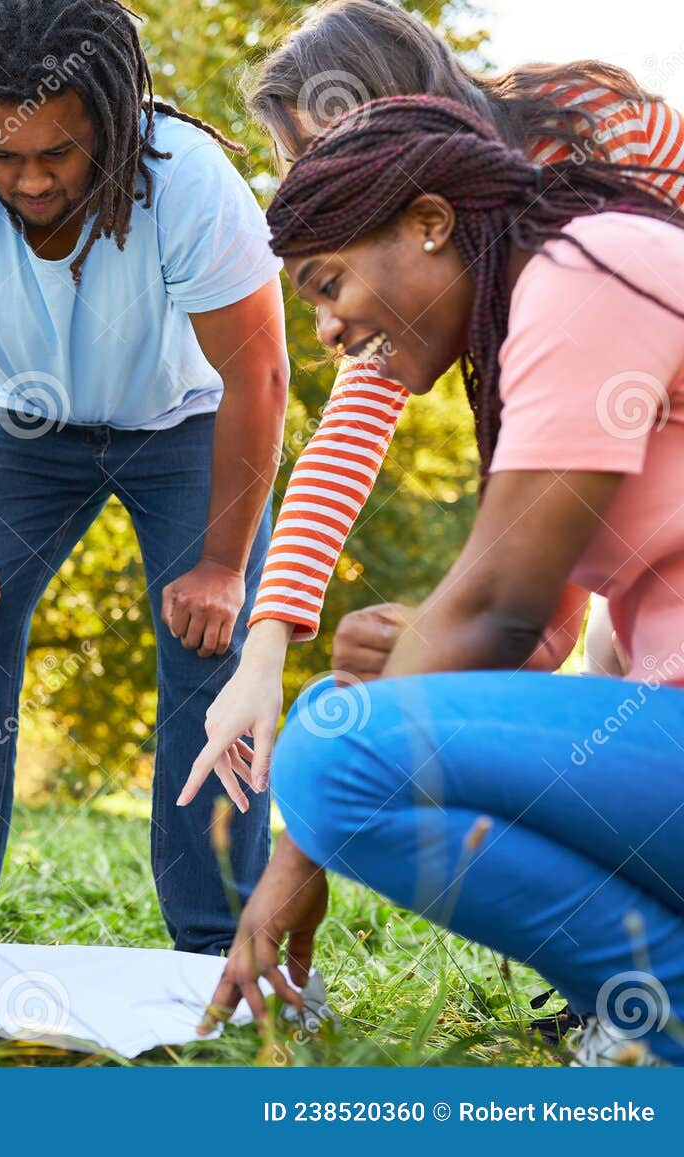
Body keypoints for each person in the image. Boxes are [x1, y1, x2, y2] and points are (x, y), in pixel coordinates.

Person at [203, 95, 684, 1067]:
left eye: (328, 284)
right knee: (347, 725)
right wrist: (410, 649)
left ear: (428, 222)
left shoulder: (585, 271)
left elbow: (499, 609)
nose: (329, 331)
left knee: (329, 757)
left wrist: (299, 845)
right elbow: (535, 624)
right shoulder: (534, 313)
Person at [0, 0, 290, 954]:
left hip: (188, 424)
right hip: (29, 429)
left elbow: (259, 376)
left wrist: (222, 566)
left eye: (59, 153)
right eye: (6, 156)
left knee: (210, 657)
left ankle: (217, 943)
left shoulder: (187, 181)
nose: (31, 178)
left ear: (111, 122)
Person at [184, 0, 684, 808]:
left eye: (327, 152)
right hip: (609, 472)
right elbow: (344, 441)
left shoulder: (595, 134)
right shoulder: (413, 272)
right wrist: (264, 649)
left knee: (616, 659)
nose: (324, 186)